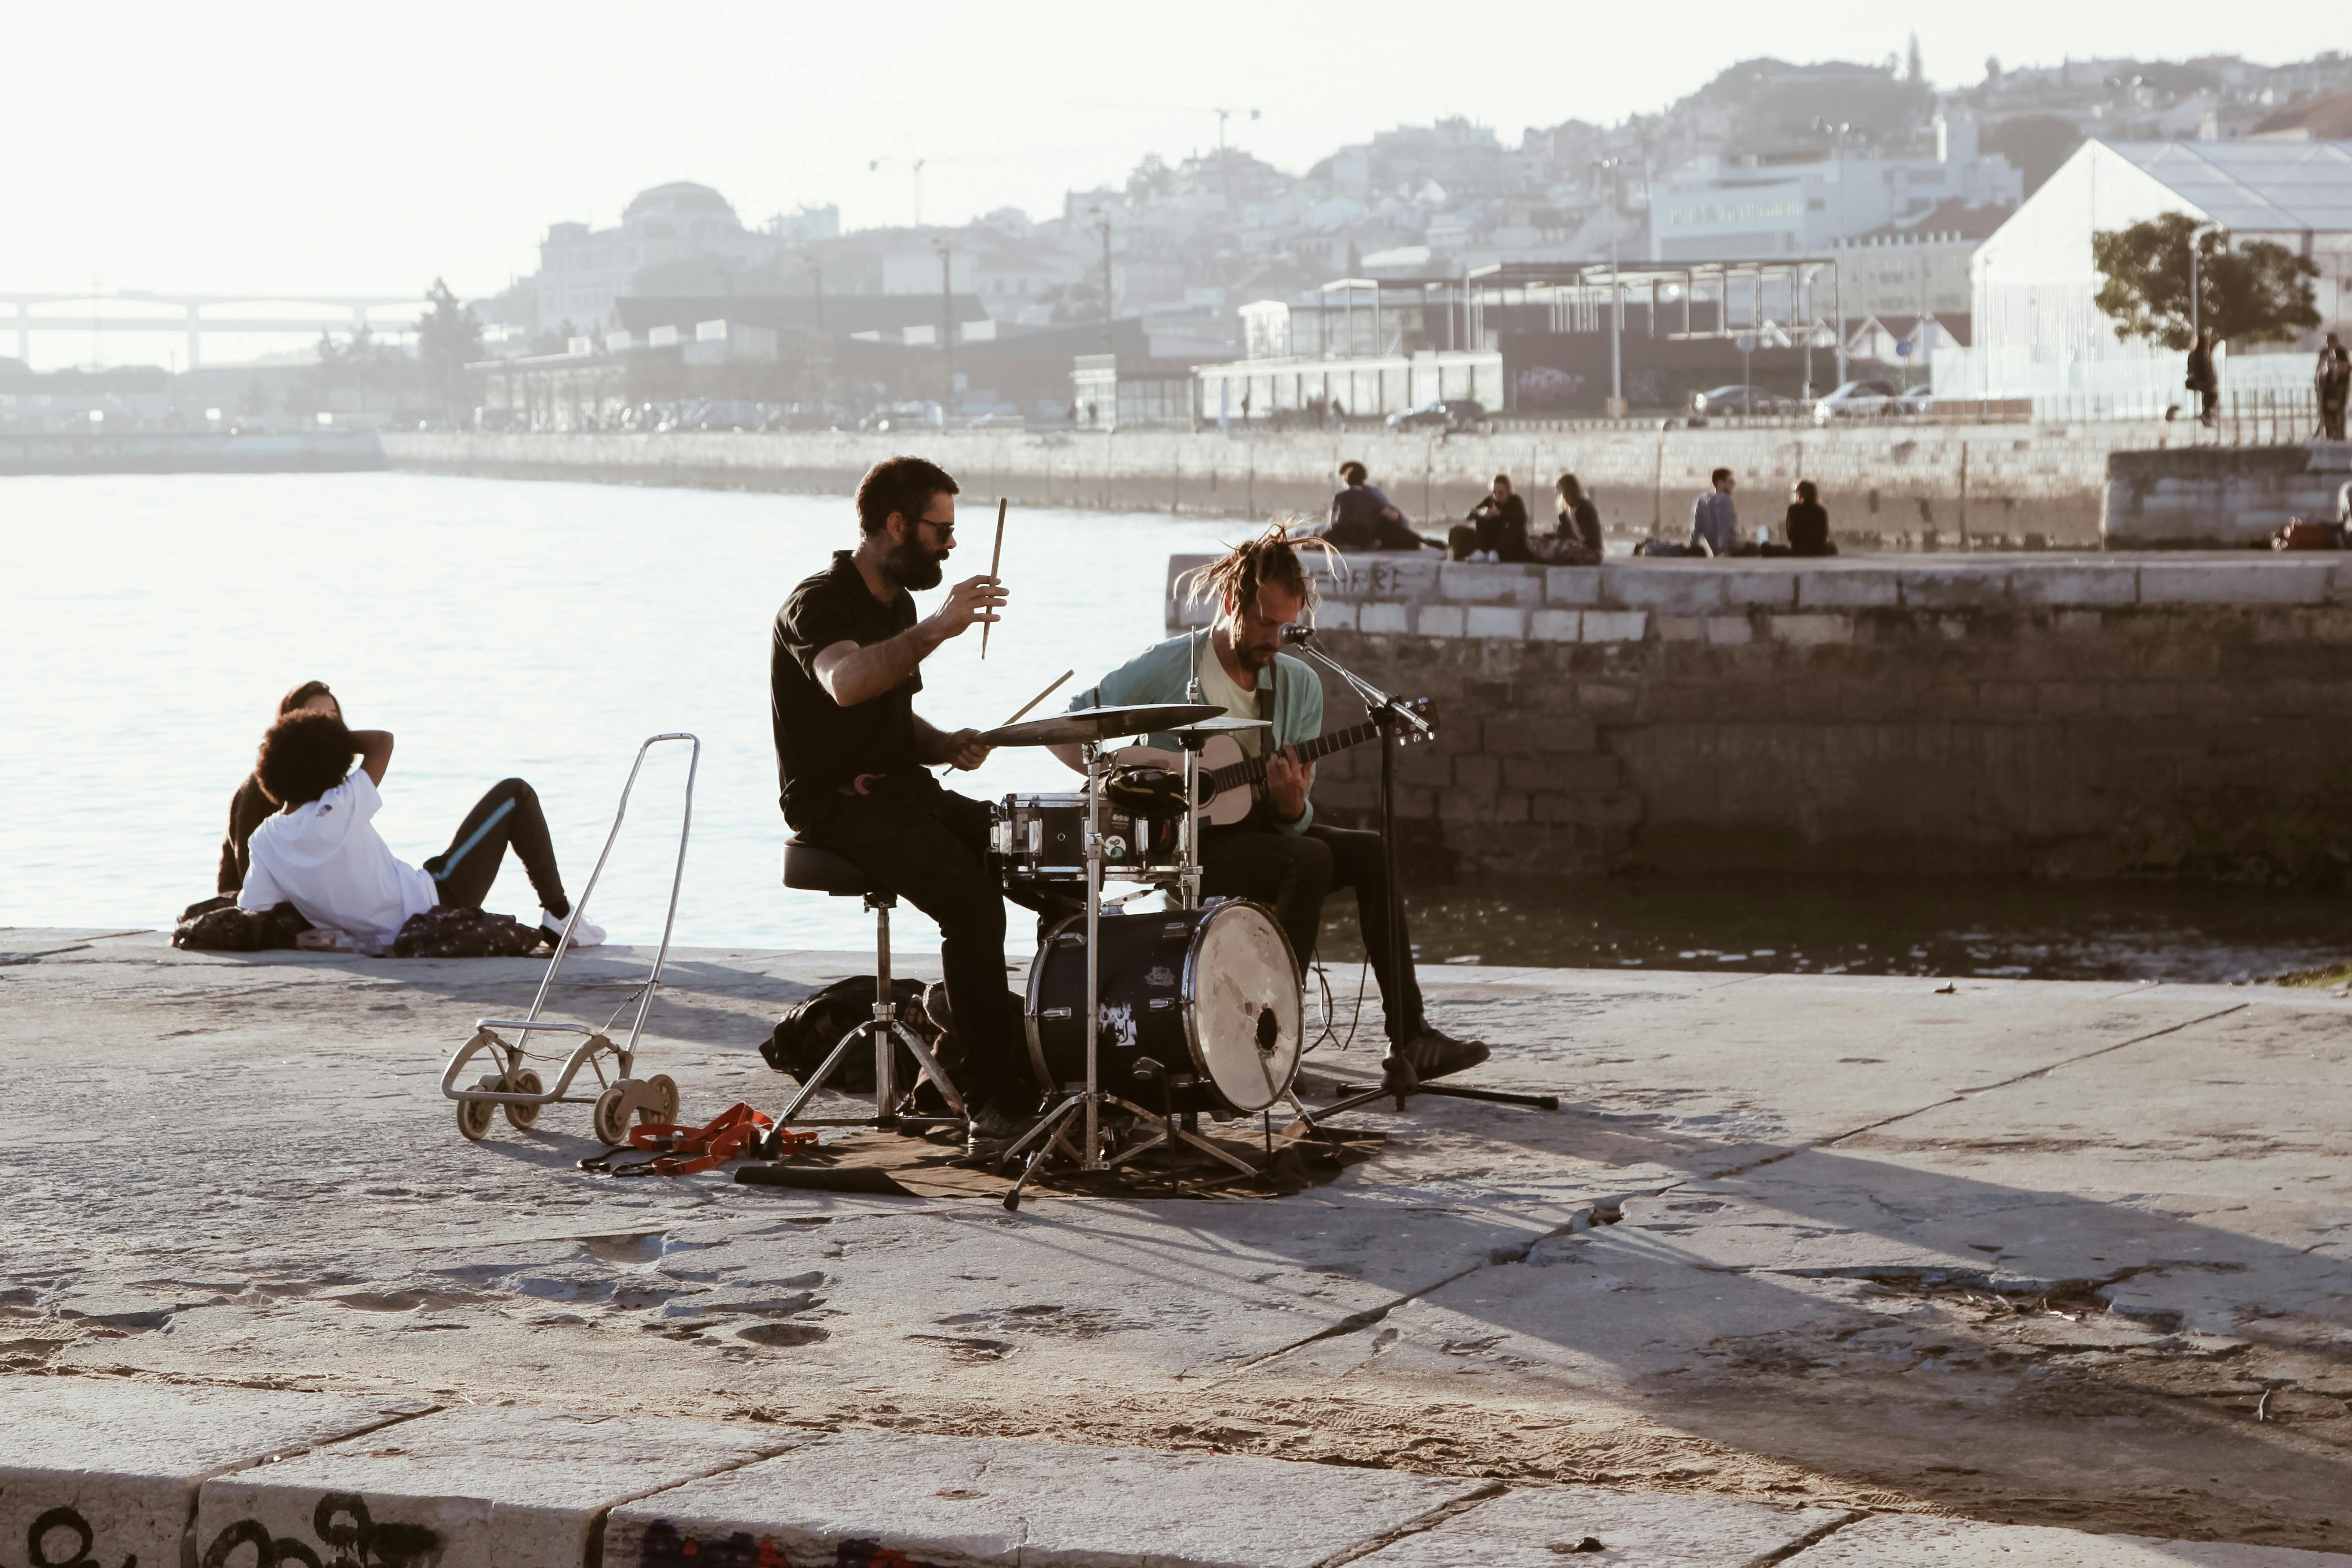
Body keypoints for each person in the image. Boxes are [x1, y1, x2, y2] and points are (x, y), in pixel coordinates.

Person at [1055, 525, 1489, 1082]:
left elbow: (1296, 822)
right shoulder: (1173, 665)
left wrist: (1290, 807)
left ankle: (1411, 1035)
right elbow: (1072, 723)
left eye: (1285, 626)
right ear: (1232, 601)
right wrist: (1124, 788)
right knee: (1308, 860)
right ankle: (1273, 1031)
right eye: (1264, 622)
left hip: (1266, 836)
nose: (1274, 639)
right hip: (1192, 844)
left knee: (1369, 852)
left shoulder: (1301, 686)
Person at [770, 455, 1040, 1139]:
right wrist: (939, 629)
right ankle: (991, 1096)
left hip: (902, 788)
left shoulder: (902, 603)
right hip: (837, 804)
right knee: (972, 905)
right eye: (940, 529)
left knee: (1038, 853)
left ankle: (1019, 1040)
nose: (951, 544)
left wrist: (946, 743)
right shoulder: (819, 602)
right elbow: (847, 682)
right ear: (896, 524)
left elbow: (889, 720)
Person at [235, 713, 603, 952]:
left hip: (379, 941)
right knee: (515, 794)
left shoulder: (265, 842)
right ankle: (560, 914)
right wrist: (326, 739)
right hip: (438, 902)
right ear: (328, 765)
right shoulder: (339, 804)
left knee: (433, 863)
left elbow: (254, 909)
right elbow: (382, 741)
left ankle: (561, 916)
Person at [218, 679, 339, 897]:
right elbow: (248, 874)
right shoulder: (261, 788)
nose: (328, 725)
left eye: (332, 715)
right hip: (252, 903)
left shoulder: (331, 780)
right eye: (316, 717)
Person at [1327, 460, 1433, 552]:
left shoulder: (1340, 496)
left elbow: (1333, 522)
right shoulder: (1373, 493)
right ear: (1364, 479)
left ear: (1347, 481)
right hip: (1365, 539)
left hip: (1343, 538)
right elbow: (1393, 516)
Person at [1449, 474, 1530, 562]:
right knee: (1481, 518)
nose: (1498, 496)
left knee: (1512, 525)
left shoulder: (1515, 501)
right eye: (1495, 492)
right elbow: (1472, 514)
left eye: (1501, 493)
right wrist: (1483, 512)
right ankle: (1482, 551)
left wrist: (1500, 514)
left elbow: (1521, 520)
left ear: (1508, 491)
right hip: (1494, 541)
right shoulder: (1492, 500)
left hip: (1512, 543)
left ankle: (1496, 552)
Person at [1527, 473, 1603, 565]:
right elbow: (1562, 534)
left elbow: (1582, 539)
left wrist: (1573, 518)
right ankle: (1546, 558)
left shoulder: (1585, 507)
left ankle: (1549, 558)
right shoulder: (1565, 511)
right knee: (1532, 540)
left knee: (1567, 546)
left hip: (1591, 553)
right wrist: (1547, 537)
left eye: (1560, 491)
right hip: (1565, 545)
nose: (1559, 495)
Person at [1690, 468, 1750, 556]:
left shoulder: (1701, 501)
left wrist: (1692, 550)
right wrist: (1723, 551)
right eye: (1731, 482)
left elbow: (1696, 530)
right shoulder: (1724, 499)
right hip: (1735, 551)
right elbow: (1724, 529)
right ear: (1721, 483)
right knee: (1761, 549)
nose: (1734, 484)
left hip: (1716, 551)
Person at [1781, 480, 1836, 557]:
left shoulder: (1793, 509)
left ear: (1800, 494)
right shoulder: (1820, 511)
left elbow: (1790, 533)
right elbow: (1824, 534)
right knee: (1832, 547)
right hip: (1818, 549)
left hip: (1798, 548)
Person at [2316, 332, 2349, 443]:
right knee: (2326, 413)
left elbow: (2346, 369)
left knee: (2338, 413)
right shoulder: (2324, 352)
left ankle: (2339, 437)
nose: (2328, 344)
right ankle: (2330, 436)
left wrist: (2337, 367)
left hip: (2339, 389)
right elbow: (2319, 369)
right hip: (2326, 389)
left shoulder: (2342, 352)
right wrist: (2317, 383)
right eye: (2327, 341)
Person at [2186, 329, 2219, 429]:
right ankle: (2207, 413)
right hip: (2198, 382)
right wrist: (2213, 382)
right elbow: (2207, 372)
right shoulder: (2202, 357)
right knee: (2212, 391)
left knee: (2210, 391)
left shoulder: (2192, 355)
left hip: (2194, 382)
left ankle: (2207, 413)